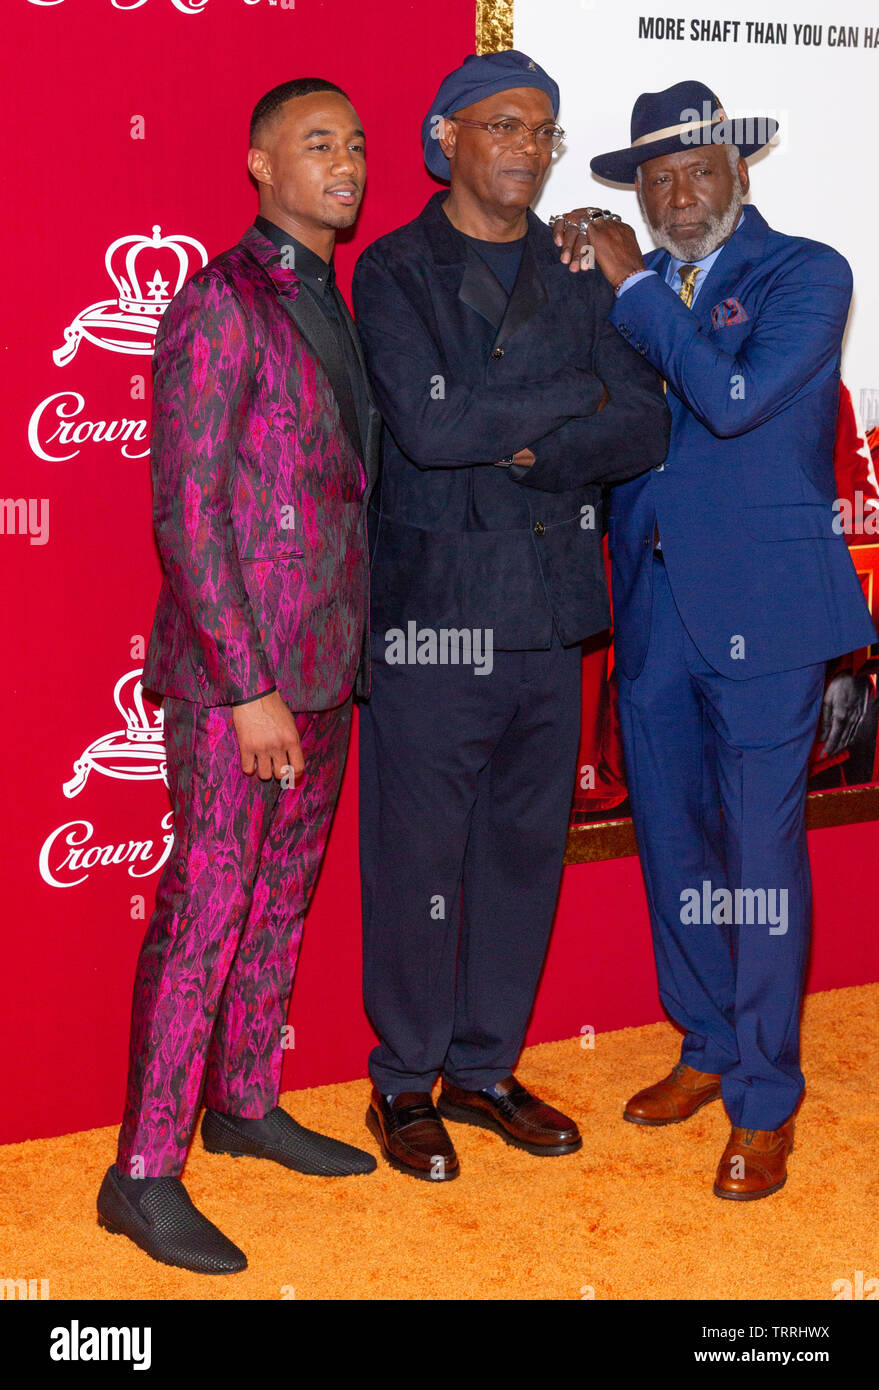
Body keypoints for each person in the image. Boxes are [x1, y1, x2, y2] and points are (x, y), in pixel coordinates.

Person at [552, 79, 877, 1199]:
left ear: (741, 175)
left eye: (698, 170)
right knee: (677, 849)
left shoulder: (807, 273)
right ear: (637, 193)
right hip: (649, 611)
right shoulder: (619, 290)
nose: (679, 192)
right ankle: (705, 1043)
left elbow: (732, 400)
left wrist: (634, 287)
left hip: (770, 615)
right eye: (656, 178)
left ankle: (767, 1098)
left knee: (759, 861)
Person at [352, 51, 669, 1182]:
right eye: (503, 126)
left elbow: (644, 424)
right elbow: (432, 430)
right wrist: (568, 400)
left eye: (544, 129)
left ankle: (484, 1069)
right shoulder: (393, 270)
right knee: (419, 856)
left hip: (552, 614)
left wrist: (534, 438)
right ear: (444, 138)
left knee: (522, 856)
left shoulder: (582, 264)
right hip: (435, 620)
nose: (528, 149)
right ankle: (402, 1082)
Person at [97, 77, 381, 1273]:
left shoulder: (332, 297)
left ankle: (245, 1101)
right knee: (208, 909)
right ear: (260, 164)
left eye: (358, 145)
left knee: (279, 902)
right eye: (319, 144)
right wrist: (248, 681)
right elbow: (189, 510)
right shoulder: (220, 302)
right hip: (240, 682)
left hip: (327, 665)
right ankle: (143, 1172)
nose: (348, 163)